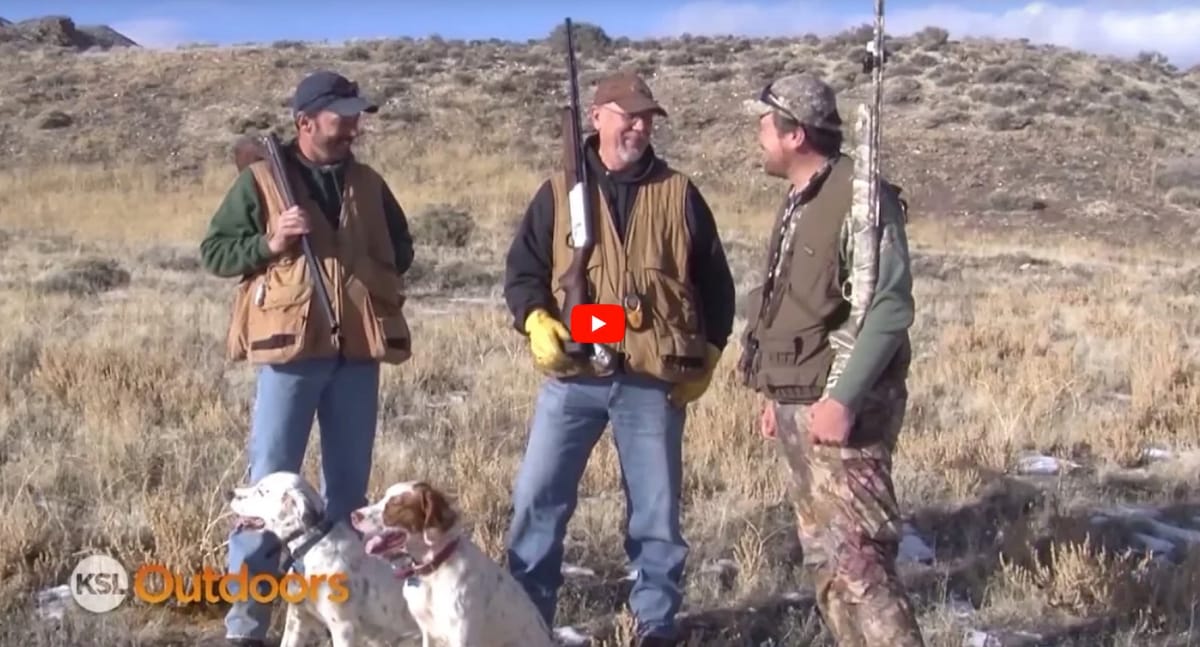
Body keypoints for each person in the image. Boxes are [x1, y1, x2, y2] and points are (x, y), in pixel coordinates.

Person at [502, 70, 736, 646]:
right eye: (628, 115)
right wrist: (535, 320)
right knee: (537, 503)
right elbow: (524, 272)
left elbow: (715, 283)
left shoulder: (679, 192)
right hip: (575, 372)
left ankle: (655, 623)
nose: (639, 127)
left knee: (656, 516)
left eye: (647, 118)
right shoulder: (559, 192)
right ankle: (525, 621)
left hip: (651, 377)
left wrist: (710, 350)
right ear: (597, 117)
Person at [198, 69, 415, 646]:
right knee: (266, 493)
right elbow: (215, 252)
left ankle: (337, 616)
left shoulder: (368, 182)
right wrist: (270, 243)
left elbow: (403, 248)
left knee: (349, 500)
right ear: (305, 122)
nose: (352, 127)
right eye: (341, 117)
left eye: (355, 116)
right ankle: (246, 627)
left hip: (358, 351)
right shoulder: (262, 180)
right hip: (291, 353)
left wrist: (365, 264)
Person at [737, 73, 926, 647]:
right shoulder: (802, 197)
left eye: (765, 125)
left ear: (795, 135)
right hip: (799, 403)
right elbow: (794, 304)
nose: (758, 135)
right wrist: (776, 394)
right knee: (827, 566)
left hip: (841, 411)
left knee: (861, 567)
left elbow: (889, 306)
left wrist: (842, 399)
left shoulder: (862, 199)